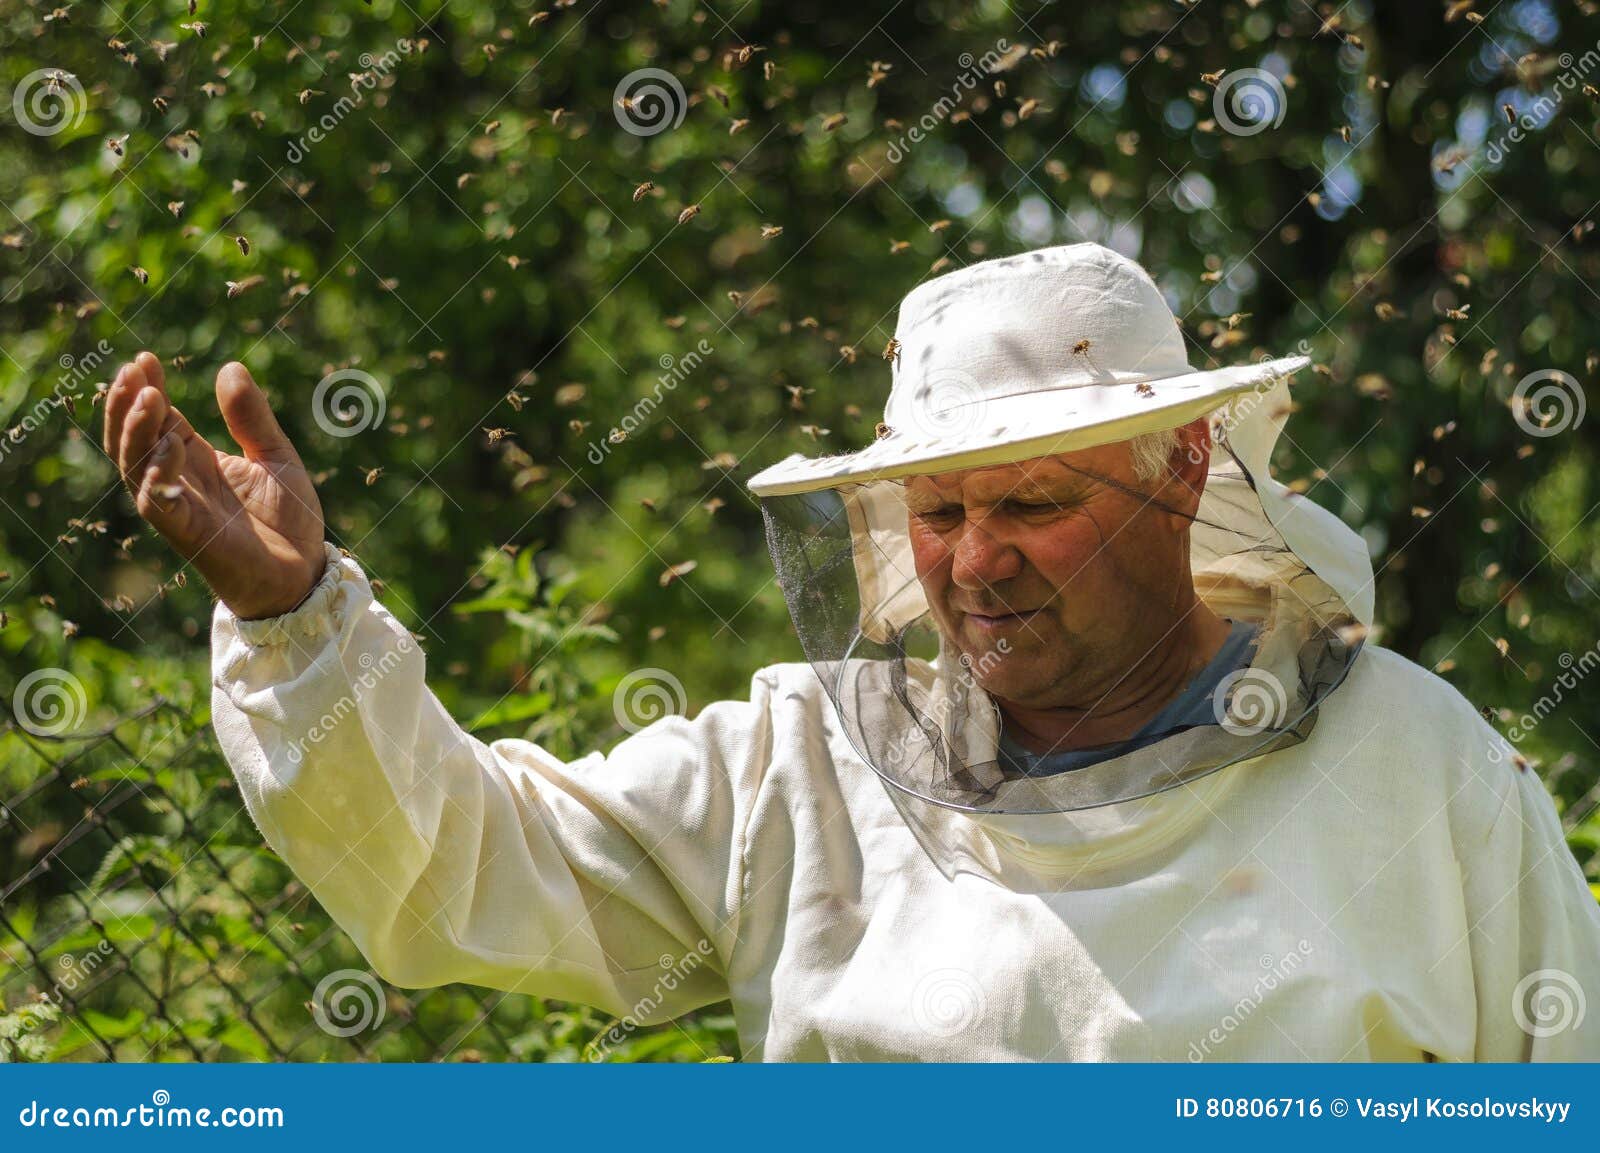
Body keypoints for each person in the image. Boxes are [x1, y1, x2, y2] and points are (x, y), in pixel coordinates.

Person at [104, 242, 1600, 1060]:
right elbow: (464, 870)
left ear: (1185, 472)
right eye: (935, 509)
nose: (972, 560)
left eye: (1029, 501)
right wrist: (298, 621)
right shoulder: (803, 770)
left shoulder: (1419, 768)